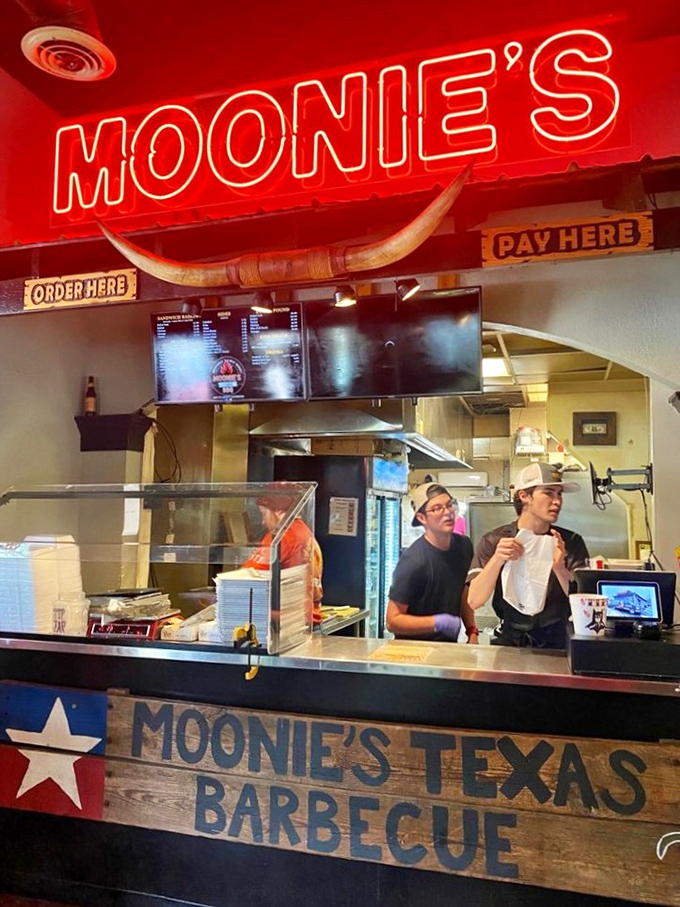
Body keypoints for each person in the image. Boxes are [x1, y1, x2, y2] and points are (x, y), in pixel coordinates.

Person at [466, 462, 589, 649]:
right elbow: (474, 600)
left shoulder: (570, 543)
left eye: (559, 494)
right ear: (524, 496)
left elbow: (585, 602)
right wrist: (497, 560)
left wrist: (559, 568)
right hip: (509, 643)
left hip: (558, 644)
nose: (557, 501)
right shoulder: (494, 541)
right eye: (548, 493)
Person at [386, 483, 478, 643]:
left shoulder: (464, 546)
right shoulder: (413, 561)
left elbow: (463, 590)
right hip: (413, 649)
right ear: (422, 518)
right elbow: (392, 621)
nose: (447, 512)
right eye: (437, 508)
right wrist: (436, 623)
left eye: (449, 505)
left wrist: (472, 630)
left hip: (447, 647)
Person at [243, 494, 323, 623]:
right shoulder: (304, 531)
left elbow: (246, 578)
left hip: (284, 621)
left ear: (278, 511)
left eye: (263, 514)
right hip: (305, 617)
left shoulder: (282, 536)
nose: (263, 522)